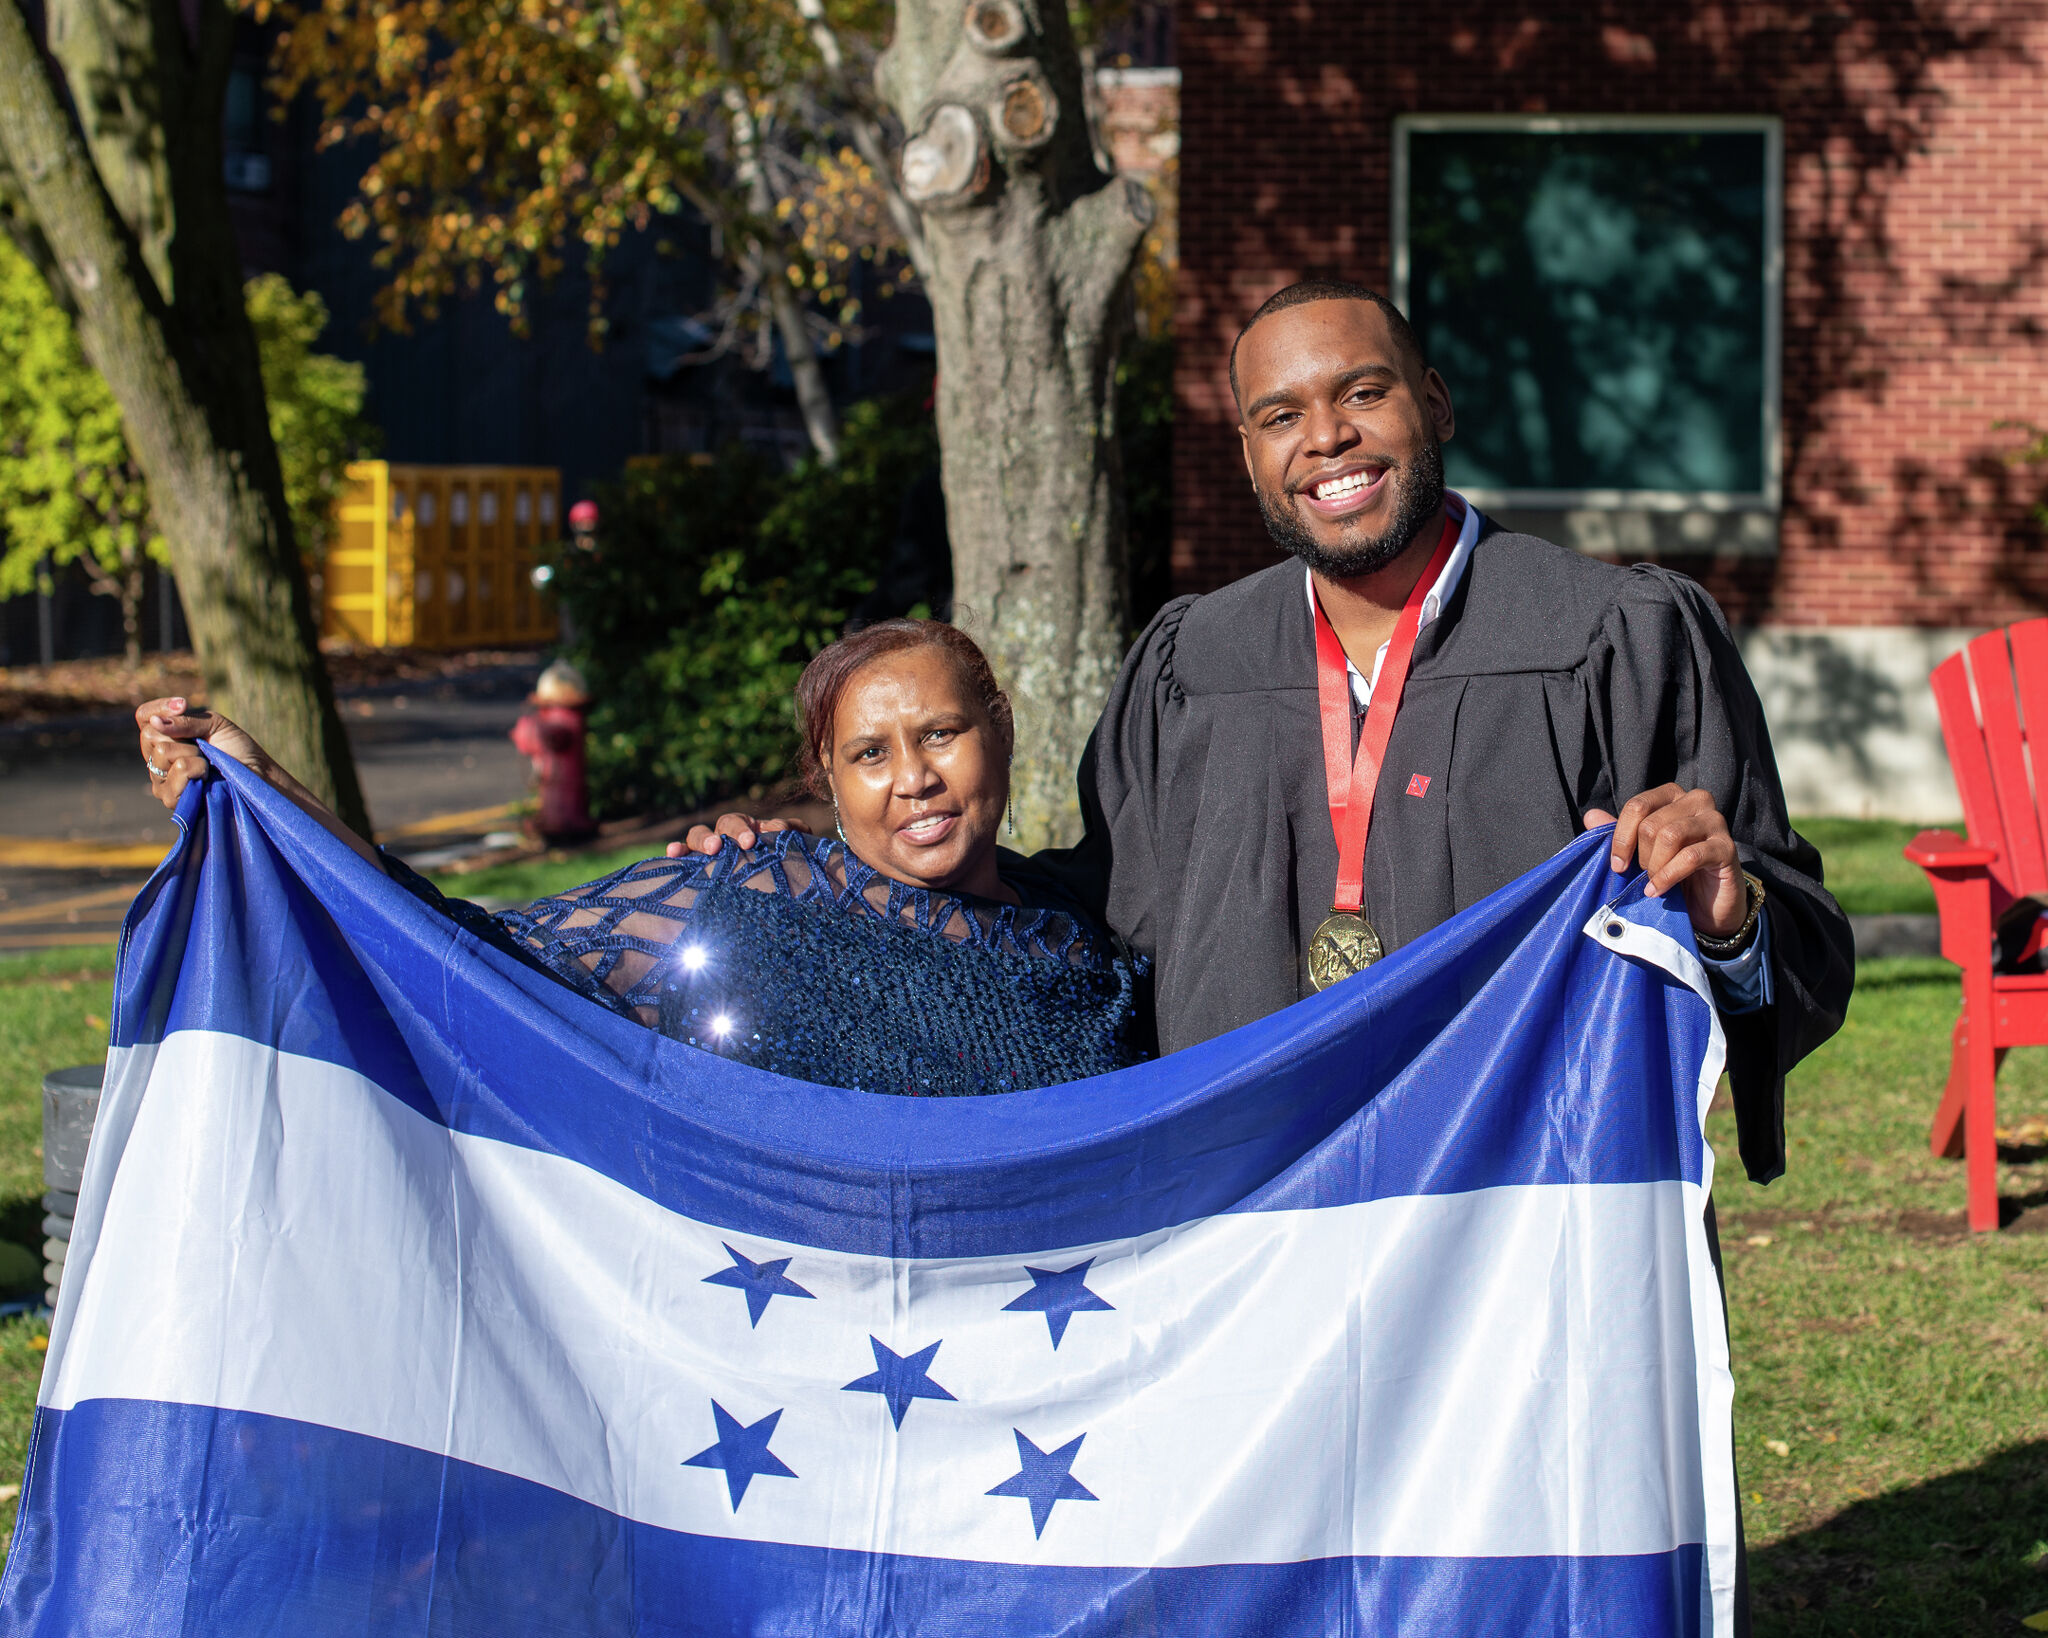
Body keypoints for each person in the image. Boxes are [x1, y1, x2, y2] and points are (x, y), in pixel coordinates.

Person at [688, 280, 1855, 1185]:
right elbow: (1101, 932)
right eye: (1279, 415)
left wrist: (1728, 917)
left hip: (1520, 1227)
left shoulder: (1610, 636)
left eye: (1362, 394)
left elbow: (1795, 949)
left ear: (1434, 404)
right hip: (1253, 1245)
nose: (1325, 438)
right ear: (1246, 452)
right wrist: (810, 886)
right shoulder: (1191, 666)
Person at [133, 620, 1147, 1097]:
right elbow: (459, 951)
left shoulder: (1086, 910)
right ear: (829, 783)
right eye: (870, 755)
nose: (914, 778)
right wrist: (264, 787)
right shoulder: (757, 893)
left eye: (941, 734)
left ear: (1000, 733)